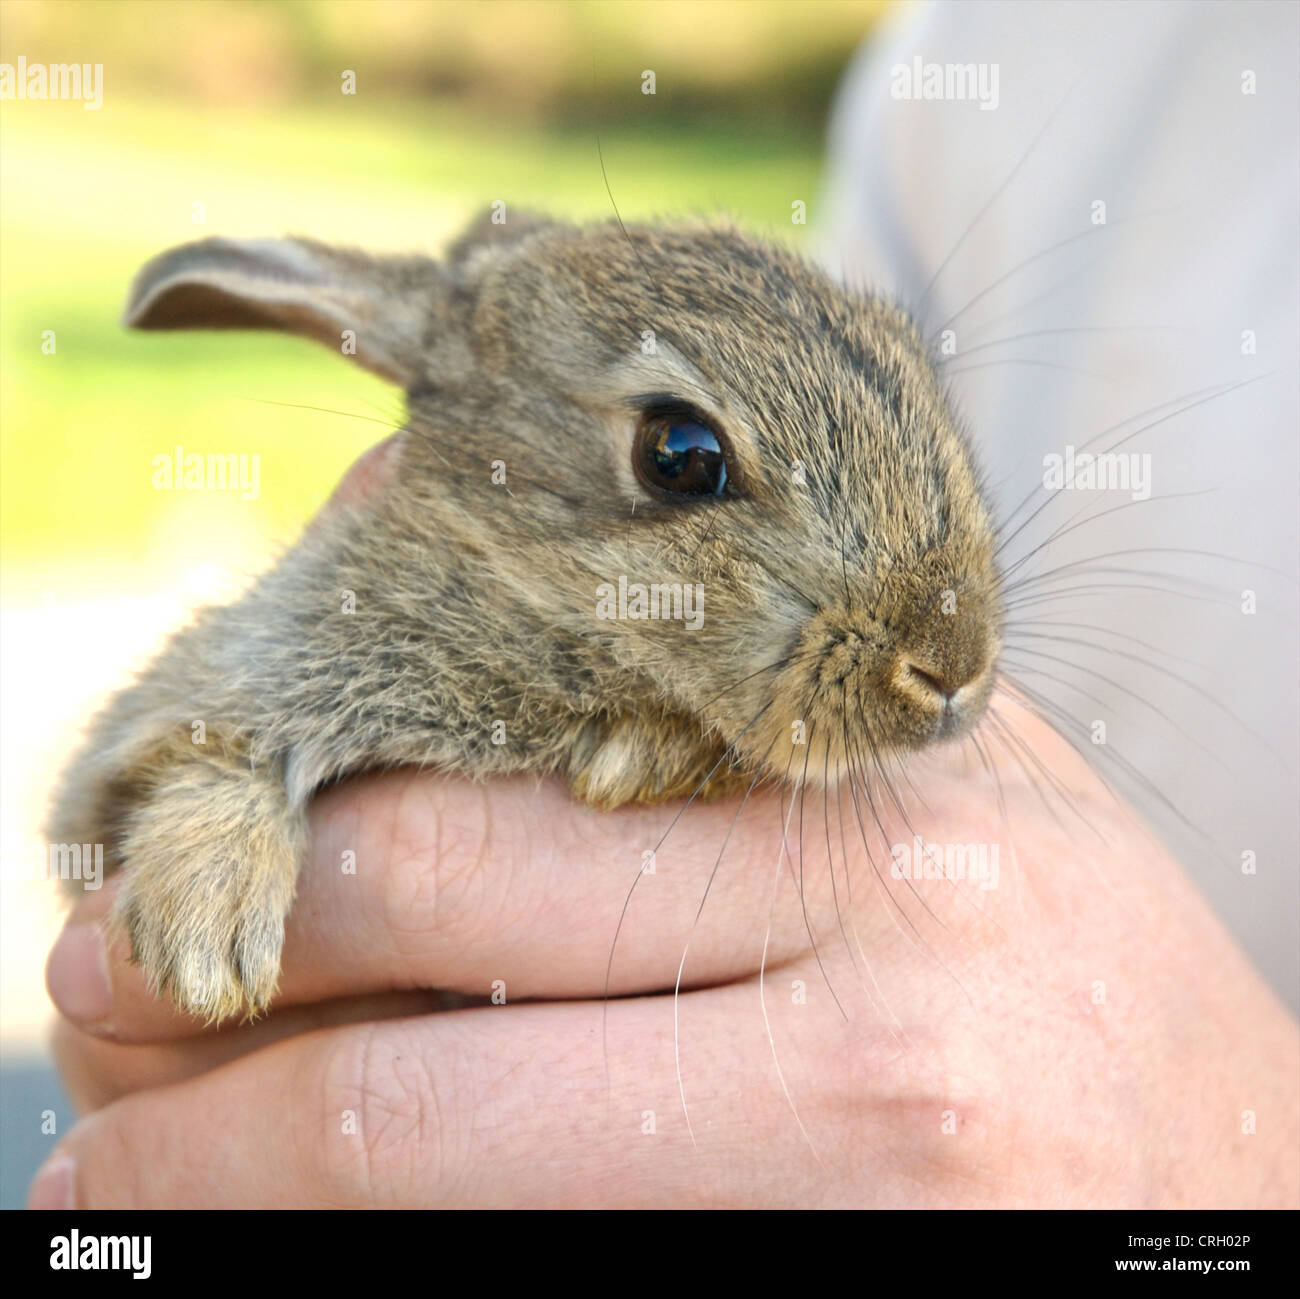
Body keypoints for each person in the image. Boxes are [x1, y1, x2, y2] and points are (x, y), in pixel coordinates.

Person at [31, 0, 1299, 1209]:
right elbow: (130, 789)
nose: (953, 665)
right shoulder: (1016, 46)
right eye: (683, 462)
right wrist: (224, 808)